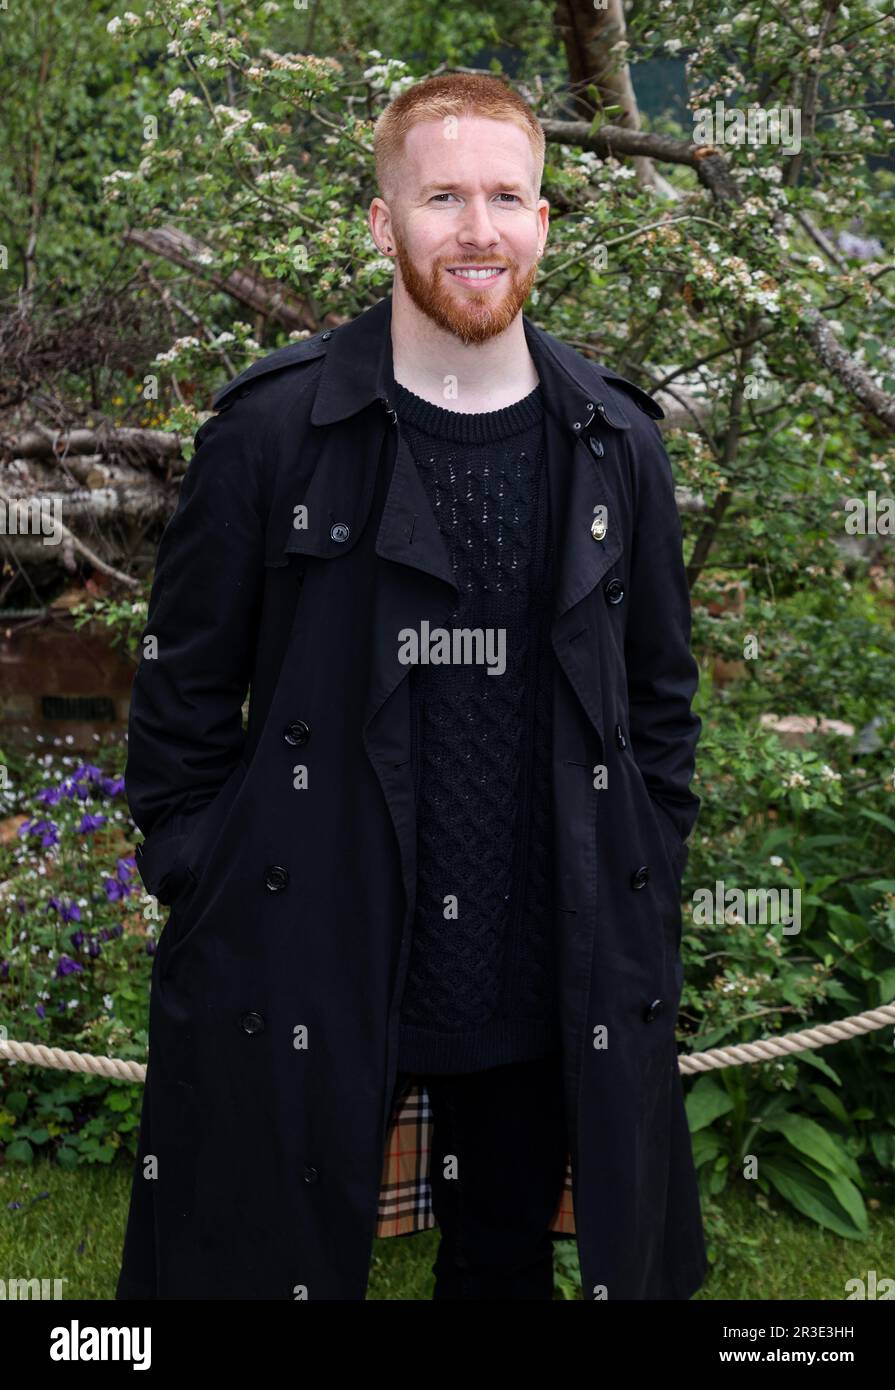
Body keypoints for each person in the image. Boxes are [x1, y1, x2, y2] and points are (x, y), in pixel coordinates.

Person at [117, 71, 706, 1302]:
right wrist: (205, 865)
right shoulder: (274, 435)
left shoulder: (616, 444)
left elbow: (659, 699)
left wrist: (644, 864)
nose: (477, 229)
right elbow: (180, 693)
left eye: (506, 195)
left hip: (548, 973)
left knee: (503, 1272)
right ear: (384, 223)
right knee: (257, 1266)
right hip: (313, 952)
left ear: (545, 219)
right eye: (441, 195)